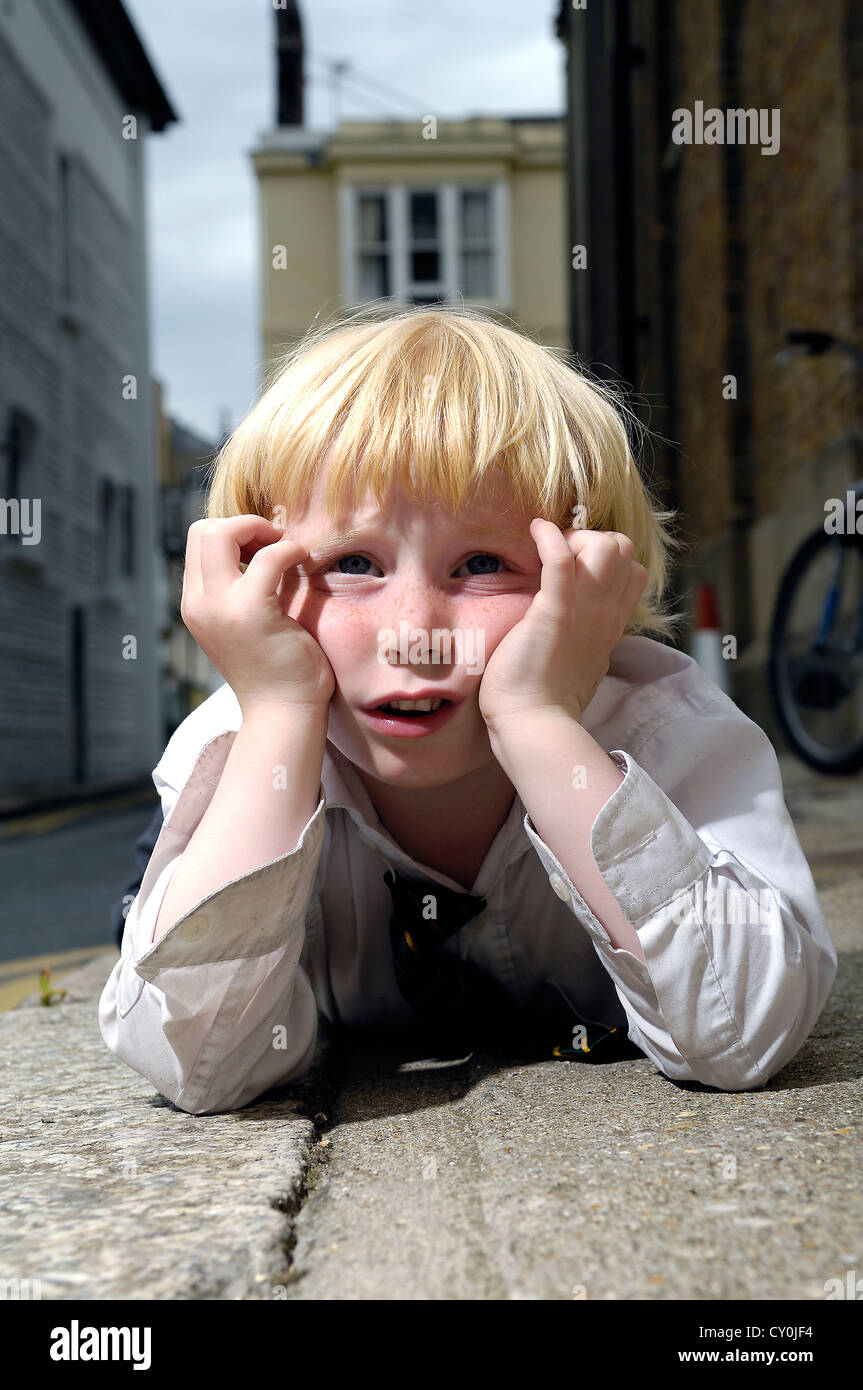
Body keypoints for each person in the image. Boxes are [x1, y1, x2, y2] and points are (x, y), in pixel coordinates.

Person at [99, 303, 837, 1116]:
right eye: (351, 563)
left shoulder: (665, 729)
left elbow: (742, 1033)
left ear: (586, 578)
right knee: (158, 919)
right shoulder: (246, 736)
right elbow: (198, 1065)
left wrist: (535, 717)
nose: (414, 635)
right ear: (254, 578)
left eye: (483, 563)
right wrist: (277, 710)